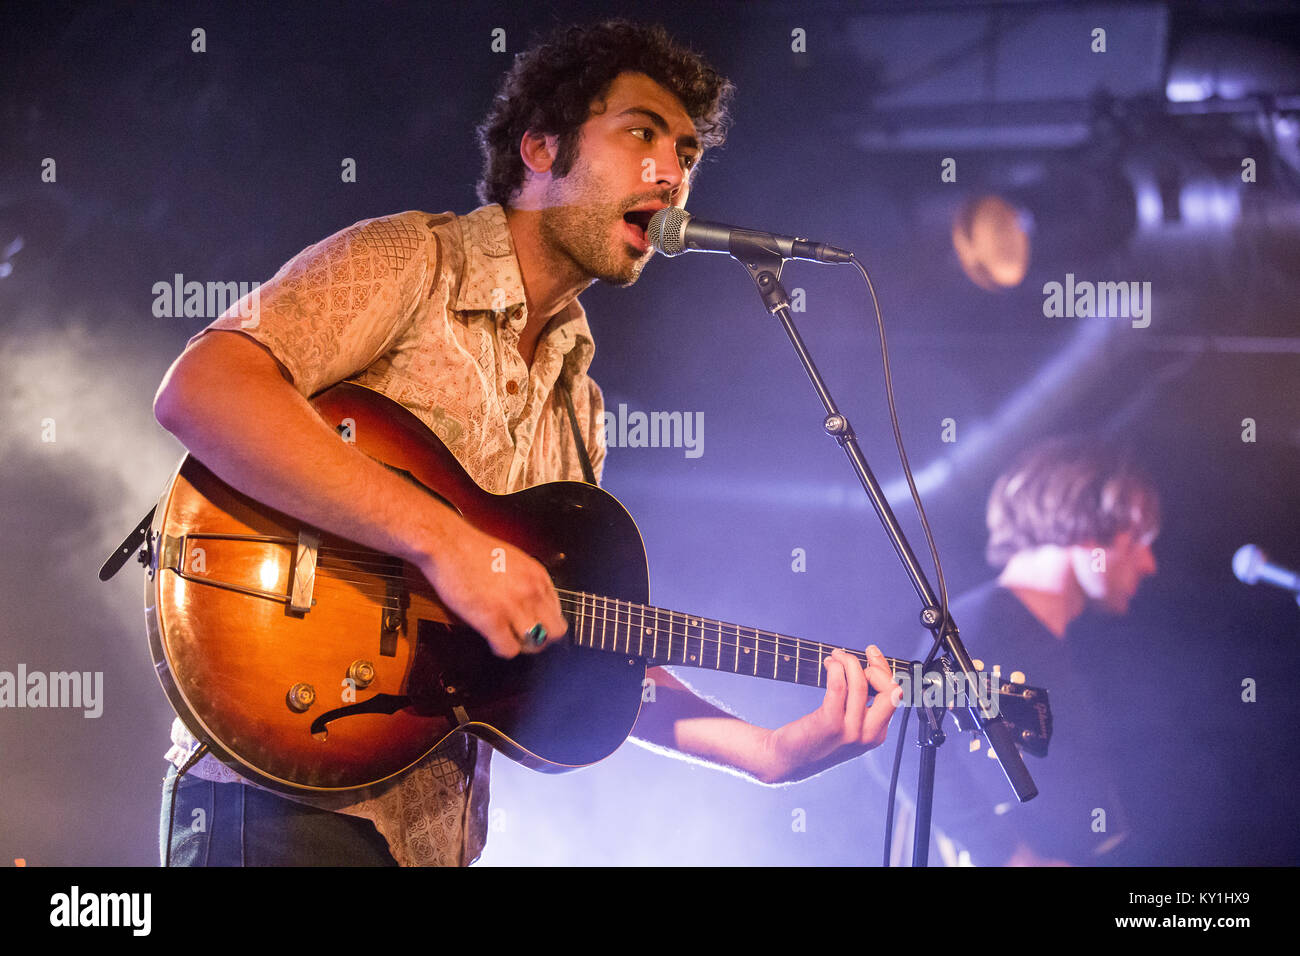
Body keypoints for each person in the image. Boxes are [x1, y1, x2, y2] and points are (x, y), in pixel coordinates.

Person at [151, 18, 901, 867]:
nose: (671, 173)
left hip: (429, 841)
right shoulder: (411, 262)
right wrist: (445, 542)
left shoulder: (580, 402)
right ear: (540, 149)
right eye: (640, 133)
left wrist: (769, 756)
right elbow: (203, 389)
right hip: (283, 800)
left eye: (687, 153)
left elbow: (575, 645)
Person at [884, 435, 1159, 866]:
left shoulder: (1053, 638)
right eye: (1136, 538)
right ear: (1086, 527)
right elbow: (895, 745)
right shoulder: (977, 627)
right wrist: (1013, 858)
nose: (1148, 562)